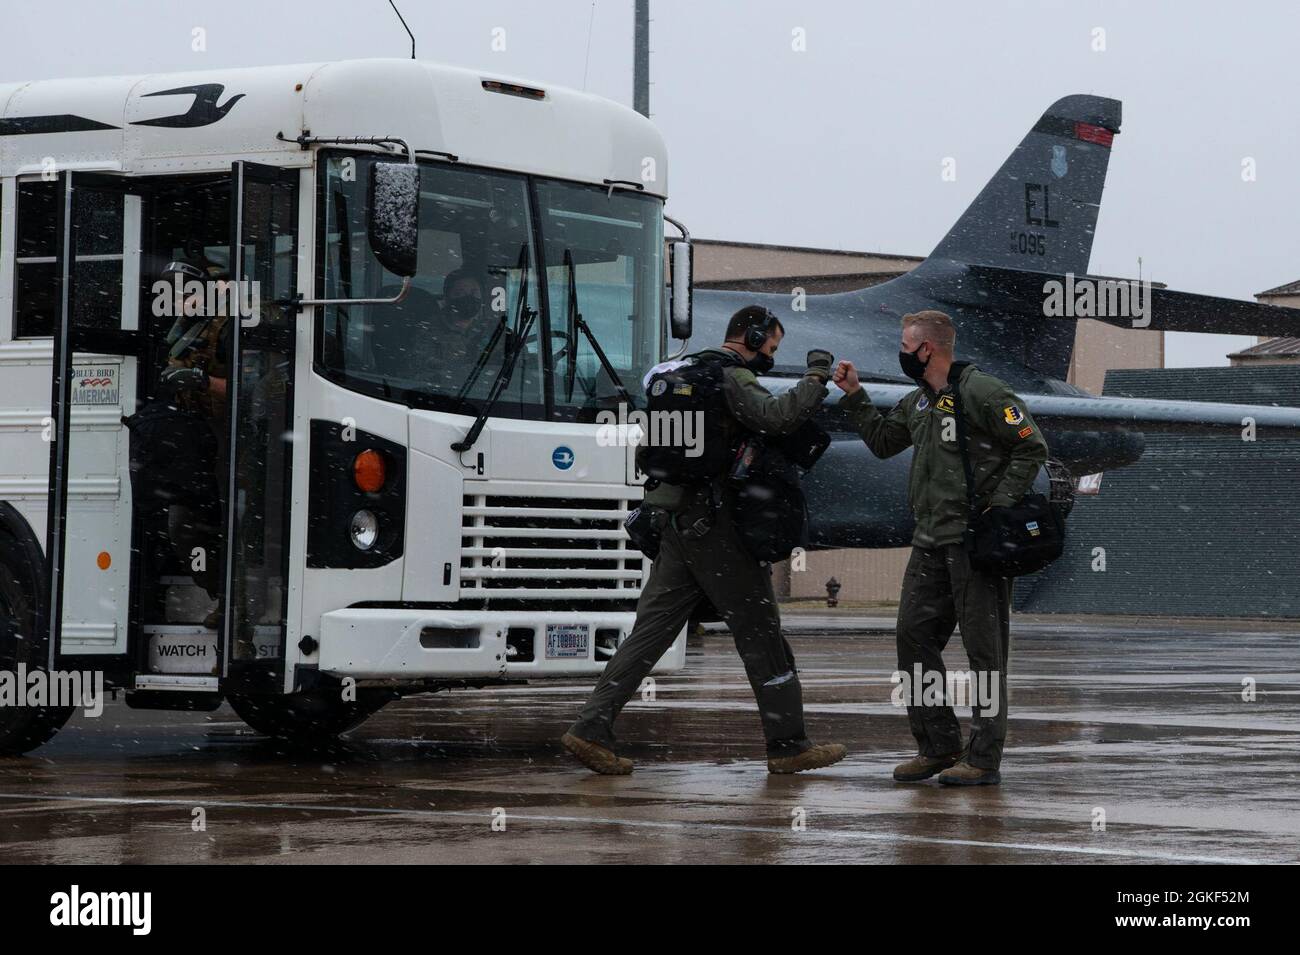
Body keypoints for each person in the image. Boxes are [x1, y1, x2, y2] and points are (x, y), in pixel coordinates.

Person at [562, 305, 848, 775]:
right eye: (771, 348)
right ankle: (789, 745)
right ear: (752, 336)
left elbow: (649, 448)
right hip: (718, 529)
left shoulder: (673, 374)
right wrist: (816, 378)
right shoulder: (731, 378)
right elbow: (777, 417)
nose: (770, 358)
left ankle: (590, 729)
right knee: (762, 637)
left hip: (674, 522)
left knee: (649, 633)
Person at [833, 310, 1048, 786]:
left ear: (927, 349)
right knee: (913, 641)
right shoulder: (919, 403)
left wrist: (1000, 504)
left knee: (984, 655)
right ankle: (937, 746)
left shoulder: (983, 393)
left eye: (905, 346)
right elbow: (884, 443)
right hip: (929, 542)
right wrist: (856, 397)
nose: (901, 353)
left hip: (975, 546)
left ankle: (984, 758)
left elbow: (1031, 446)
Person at [156, 258, 232, 634]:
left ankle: (236, 607)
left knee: (236, 524)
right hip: (190, 437)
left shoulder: (228, 328)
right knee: (181, 522)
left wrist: (202, 381)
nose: (179, 297)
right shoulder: (181, 328)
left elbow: (254, 389)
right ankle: (220, 594)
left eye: (187, 289)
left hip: (229, 439)